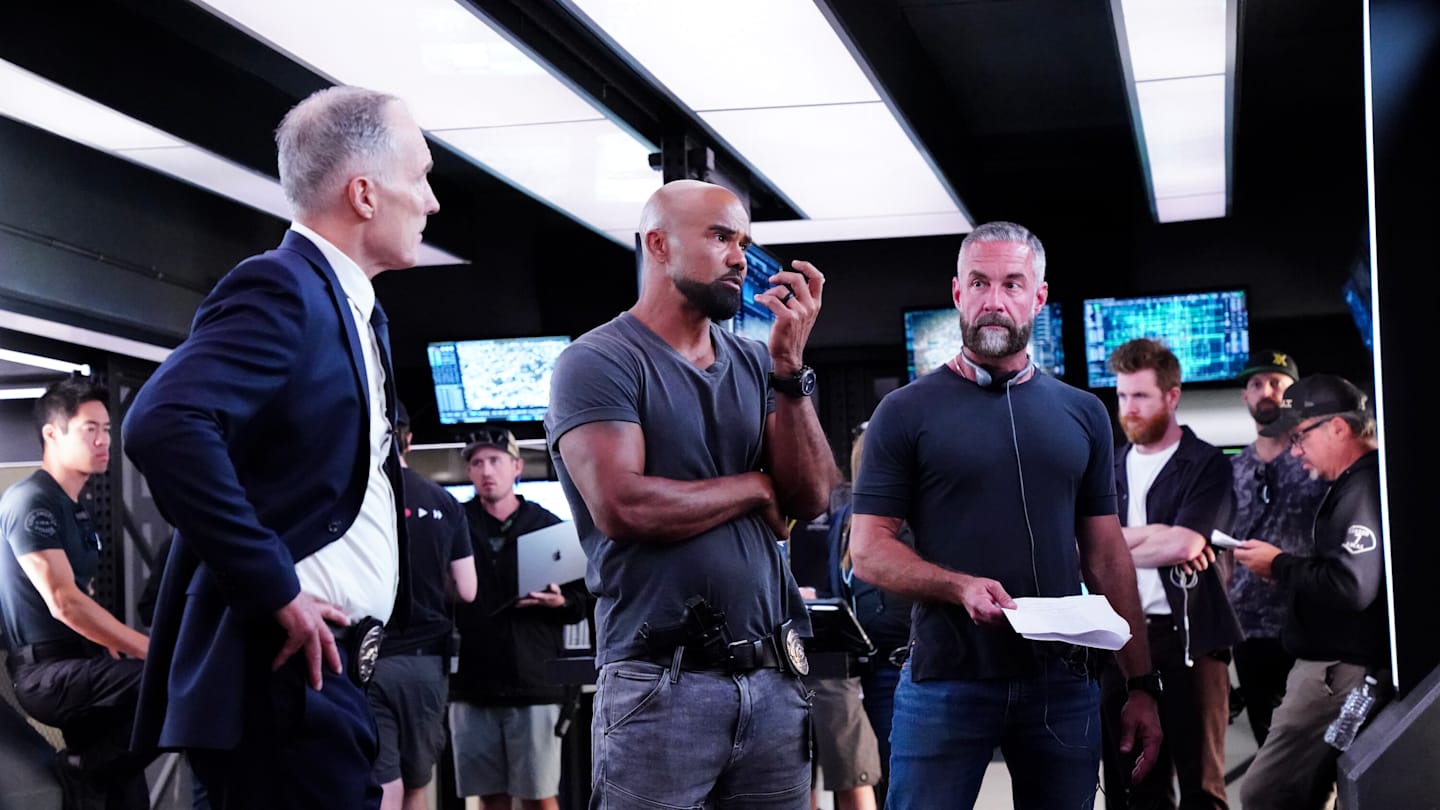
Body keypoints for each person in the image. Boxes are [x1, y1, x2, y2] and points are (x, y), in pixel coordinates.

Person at [123, 84, 439, 810]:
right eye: (420, 177)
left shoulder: (353, 308)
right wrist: (276, 585)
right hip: (282, 673)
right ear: (364, 193)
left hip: (332, 674)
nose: (431, 201)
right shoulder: (283, 286)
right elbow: (163, 422)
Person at [544, 178, 839, 809]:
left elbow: (812, 498)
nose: (739, 258)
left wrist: (790, 371)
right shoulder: (599, 361)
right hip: (661, 684)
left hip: (773, 680)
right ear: (658, 244)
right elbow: (624, 506)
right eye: (720, 237)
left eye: (744, 243)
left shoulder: (756, 364)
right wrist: (754, 486)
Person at [848, 221, 1163, 810]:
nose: (994, 300)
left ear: (1038, 296)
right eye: (979, 283)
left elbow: (1105, 555)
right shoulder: (904, 412)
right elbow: (867, 551)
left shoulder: (1084, 413)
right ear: (957, 292)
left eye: (1012, 284)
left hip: (1062, 683)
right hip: (946, 680)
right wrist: (958, 586)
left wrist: (1140, 682)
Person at [1235, 374, 1389, 810]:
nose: (1296, 450)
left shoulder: (1362, 486)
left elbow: (1351, 585)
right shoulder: (1358, 482)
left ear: (1338, 427)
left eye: (1301, 436)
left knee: (1265, 794)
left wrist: (1279, 565)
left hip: (1336, 676)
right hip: (1335, 672)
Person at [1101, 338, 1242, 810]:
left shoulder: (1205, 463)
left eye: (1141, 396)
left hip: (1189, 640)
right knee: (1133, 788)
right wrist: (1155, 536)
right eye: (1122, 396)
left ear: (1172, 396)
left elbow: (1184, 545)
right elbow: (1083, 550)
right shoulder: (1107, 467)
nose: (1129, 408)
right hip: (1120, 640)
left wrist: (1116, 545)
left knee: (1202, 790)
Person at [0, 377, 151, 809]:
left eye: (107, 429)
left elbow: (83, 593)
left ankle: (89, 772)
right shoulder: (31, 501)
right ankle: (82, 768)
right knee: (167, 678)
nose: (104, 441)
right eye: (90, 429)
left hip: (83, 663)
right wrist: (146, 648)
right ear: (52, 433)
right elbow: (64, 602)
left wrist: (111, 641)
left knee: (126, 790)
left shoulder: (76, 508)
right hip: (47, 673)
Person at [448, 427, 588, 810]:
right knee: (489, 797)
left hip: (533, 682)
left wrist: (560, 602)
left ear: (517, 467)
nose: (486, 470)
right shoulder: (455, 524)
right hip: (472, 683)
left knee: (538, 796)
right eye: (477, 463)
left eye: (495, 461)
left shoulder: (548, 526)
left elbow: (583, 601)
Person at [370, 402, 477, 810]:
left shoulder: (359, 498)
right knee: (416, 784)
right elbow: (467, 589)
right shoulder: (443, 502)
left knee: (383, 781)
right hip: (425, 663)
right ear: (409, 441)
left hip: (369, 658)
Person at [1225, 350, 1328, 746]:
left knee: (1317, 745)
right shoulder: (1233, 470)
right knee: (1268, 743)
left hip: (1311, 621)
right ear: (1245, 397)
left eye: (1276, 383)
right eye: (1256, 384)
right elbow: (1223, 551)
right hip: (1249, 628)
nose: (1265, 391)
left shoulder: (1316, 462)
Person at [826, 421, 914, 809]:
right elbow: (837, 588)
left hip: (906, 667)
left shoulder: (917, 518)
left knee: (903, 779)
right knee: (866, 776)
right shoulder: (842, 522)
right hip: (861, 674)